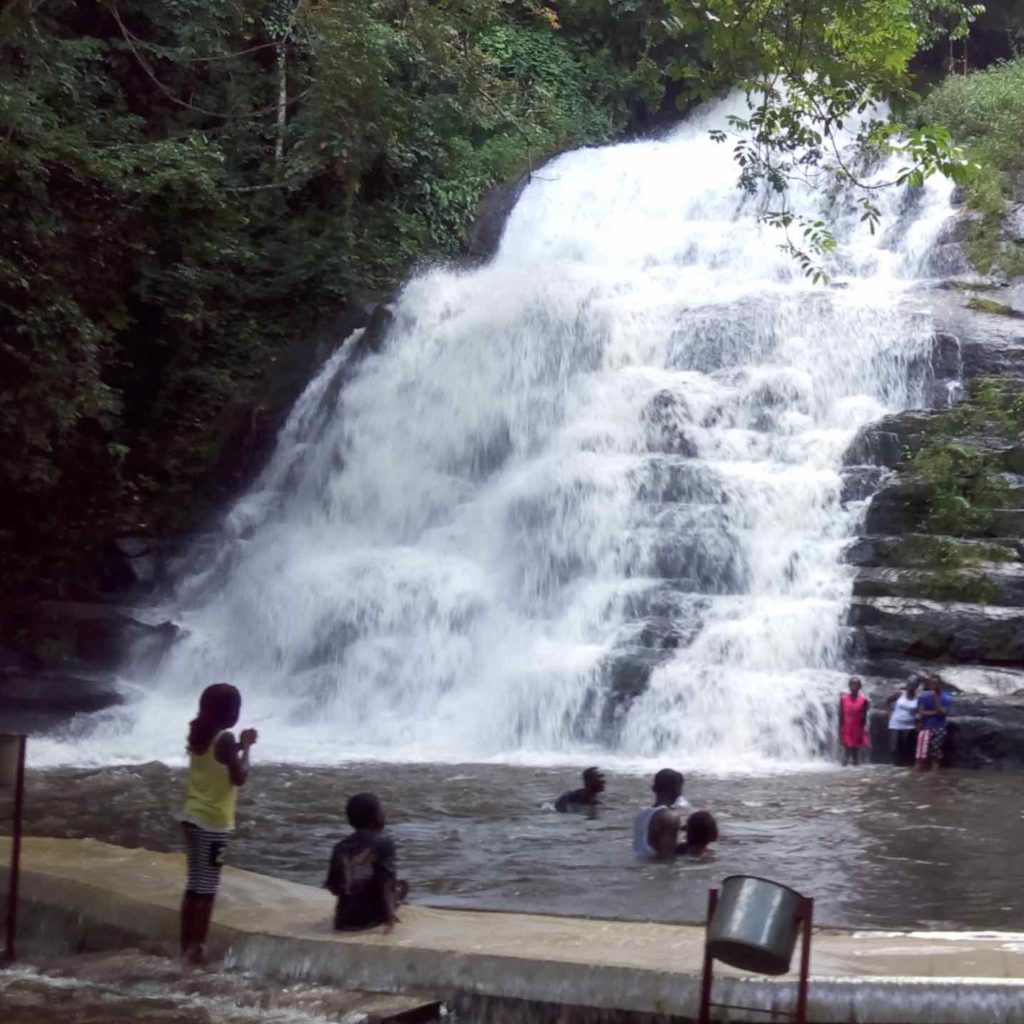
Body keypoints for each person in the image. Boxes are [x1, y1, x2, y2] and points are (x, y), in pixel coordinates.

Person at [180, 683, 258, 964]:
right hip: (213, 823)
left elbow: (221, 758)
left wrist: (238, 746)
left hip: (192, 817)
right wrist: (247, 748)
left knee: (194, 886)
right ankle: (198, 948)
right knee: (207, 888)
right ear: (230, 713)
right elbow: (239, 777)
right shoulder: (225, 739)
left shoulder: (202, 734)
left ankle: (186, 945)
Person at [325, 792, 409, 932]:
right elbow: (386, 883)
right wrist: (389, 917)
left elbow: (333, 887)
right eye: (382, 811)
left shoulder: (339, 847)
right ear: (377, 817)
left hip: (343, 921)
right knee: (404, 886)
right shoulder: (384, 844)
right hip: (371, 920)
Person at [633, 768, 689, 861]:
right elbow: (665, 860)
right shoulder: (671, 817)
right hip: (651, 871)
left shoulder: (641, 813)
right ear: (677, 790)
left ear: (654, 788)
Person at [915, 675, 952, 771]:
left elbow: (944, 713)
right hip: (925, 727)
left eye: (936, 683)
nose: (933, 685)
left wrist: (935, 697)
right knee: (920, 755)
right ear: (929, 684)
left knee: (935, 756)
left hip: (939, 727)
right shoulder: (923, 696)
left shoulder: (946, 697)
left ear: (940, 684)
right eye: (932, 683)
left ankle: (934, 777)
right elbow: (920, 713)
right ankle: (917, 777)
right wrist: (935, 713)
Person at [886, 677, 920, 767]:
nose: (911, 687)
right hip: (896, 724)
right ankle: (895, 766)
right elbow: (888, 700)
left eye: (914, 685)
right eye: (909, 684)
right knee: (894, 747)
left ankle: (904, 768)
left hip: (909, 726)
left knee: (906, 748)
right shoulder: (900, 694)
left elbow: (919, 712)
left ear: (916, 687)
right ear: (907, 685)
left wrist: (918, 723)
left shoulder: (918, 698)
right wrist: (889, 713)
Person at [838, 677, 870, 765]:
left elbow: (864, 717)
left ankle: (855, 774)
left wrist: (863, 732)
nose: (854, 686)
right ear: (849, 686)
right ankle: (843, 773)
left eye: (856, 684)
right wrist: (840, 730)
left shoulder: (864, 700)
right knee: (846, 752)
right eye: (852, 684)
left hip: (857, 729)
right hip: (847, 729)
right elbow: (840, 715)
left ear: (859, 687)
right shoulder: (843, 699)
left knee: (855, 753)